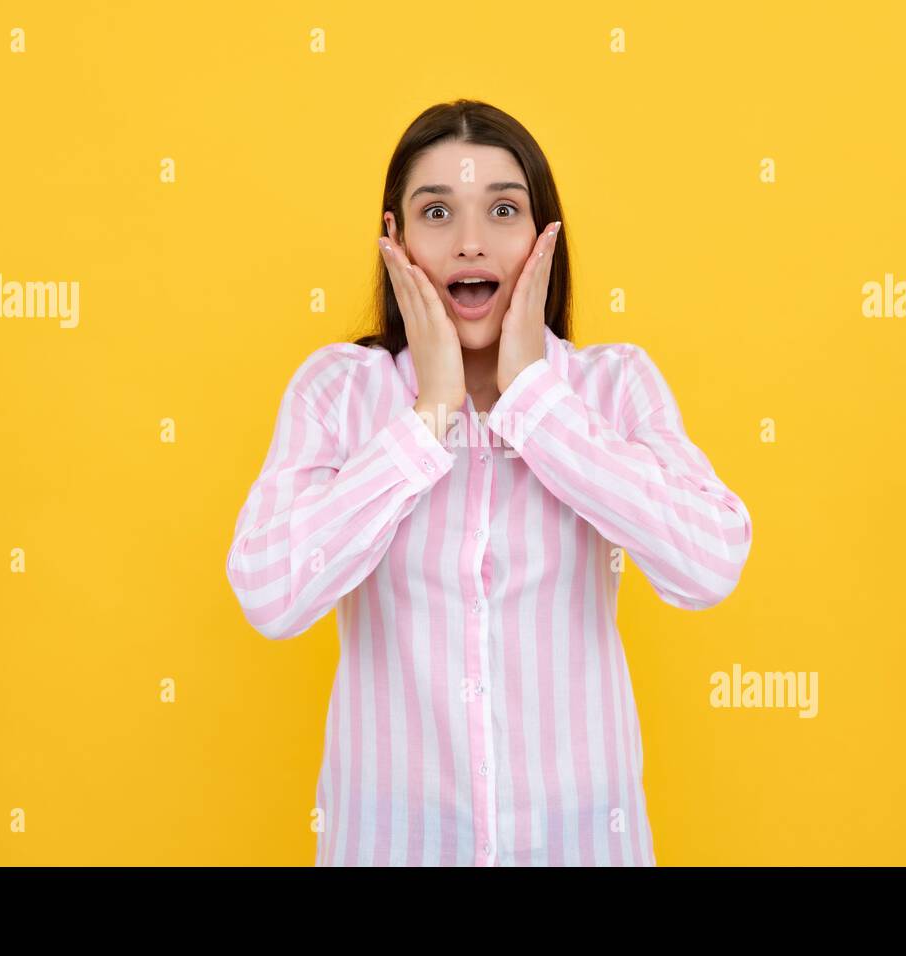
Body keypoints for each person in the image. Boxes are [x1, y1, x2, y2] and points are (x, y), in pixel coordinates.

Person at [225, 99, 753, 866]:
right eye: (436, 212)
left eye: (503, 210)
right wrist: (427, 417)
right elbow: (270, 595)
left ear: (544, 238)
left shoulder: (613, 387)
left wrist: (535, 398)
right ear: (394, 240)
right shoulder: (337, 392)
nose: (470, 243)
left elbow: (709, 564)